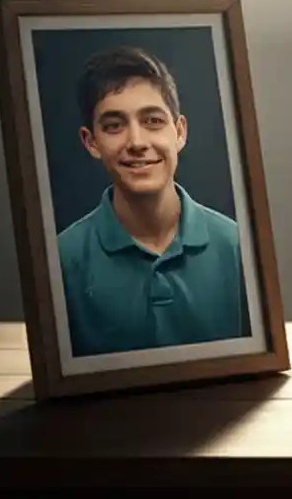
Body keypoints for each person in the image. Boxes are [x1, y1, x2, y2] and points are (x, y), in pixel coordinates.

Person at [56, 45, 250, 357]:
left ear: (180, 132)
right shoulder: (60, 262)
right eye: (114, 126)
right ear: (91, 142)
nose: (136, 142)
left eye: (153, 121)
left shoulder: (239, 247)